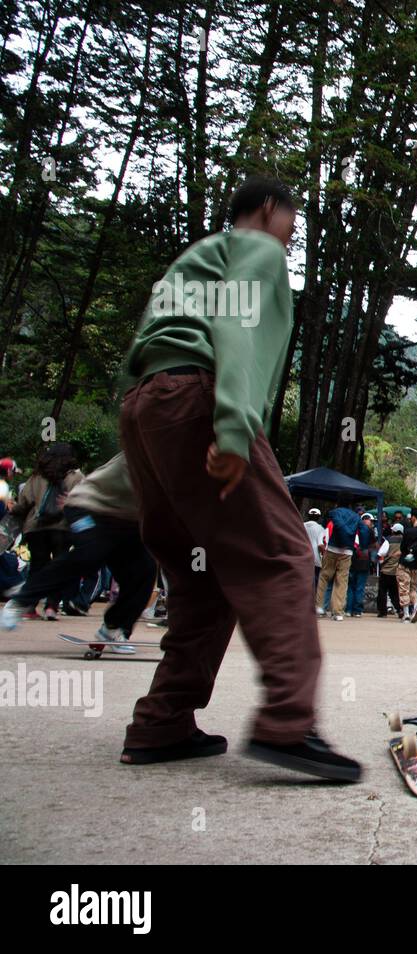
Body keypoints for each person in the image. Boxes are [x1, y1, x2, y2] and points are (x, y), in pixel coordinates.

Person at [116, 176, 358, 778]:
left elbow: (142, 358)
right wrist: (232, 427)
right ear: (271, 209)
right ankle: (288, 724)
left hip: (145, 408)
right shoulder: (256, 248)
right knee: (281, 554)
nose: (293, 235)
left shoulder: (192, 260)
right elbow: (240, 328)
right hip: (201, 399)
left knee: (202, 578)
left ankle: (163, 723)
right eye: (293, 221)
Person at [1, 453, 155, 651]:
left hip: (126, 520)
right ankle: (22, 598)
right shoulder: (147, 447)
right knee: (92, 552)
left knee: (145, 570)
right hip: (86, 506)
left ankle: (114, 627)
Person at [7, 442, 83, 620]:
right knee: (59, 567)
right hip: (62, 527)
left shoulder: (38, 475)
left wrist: (15, 513)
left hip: (36, 527)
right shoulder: (76, 476)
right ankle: (51, 607)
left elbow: (25, 500)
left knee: (37, 567)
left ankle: (30, 607)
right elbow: (83, 499)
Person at [316, 501, 358, 621]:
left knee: (324, 577)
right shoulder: (354, 517)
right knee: (342, 581)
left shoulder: (333, 516)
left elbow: (324, 532)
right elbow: (359, 536)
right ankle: (338, 612)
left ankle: (319, 606)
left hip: (332, 549)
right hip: (347, 552)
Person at [376, 523, 404, 618]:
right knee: (395, 592)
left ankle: (382, 612)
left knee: (382, 592)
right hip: (399, 570)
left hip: (387, 570)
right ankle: (400, 609)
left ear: (393, 531)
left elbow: (381, 553)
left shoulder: (389, 540)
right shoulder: (404, 541)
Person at [303, 508, 326, 588]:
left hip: (302, 556)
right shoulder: (321, 529)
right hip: (315, 559)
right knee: (314, 580)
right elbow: (320, 545)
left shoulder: (301, 526)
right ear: (318, 517)